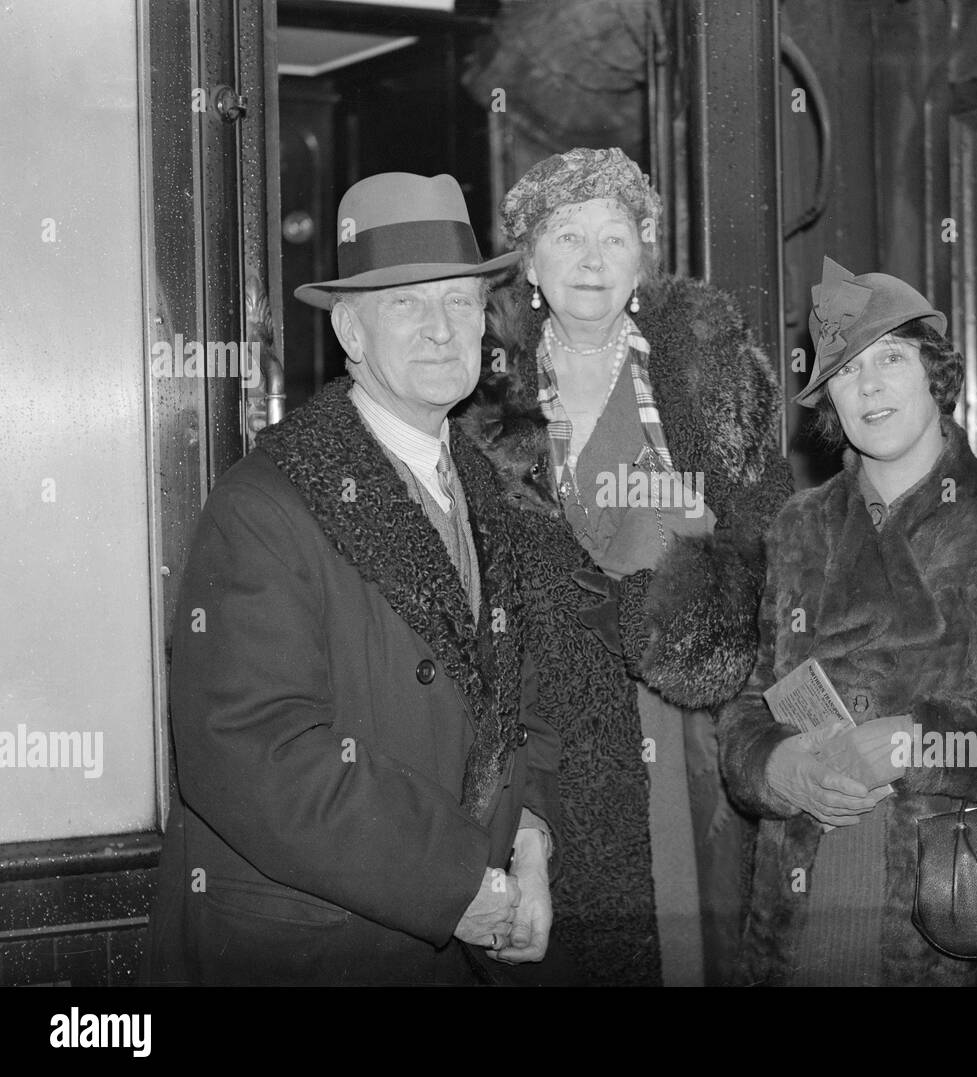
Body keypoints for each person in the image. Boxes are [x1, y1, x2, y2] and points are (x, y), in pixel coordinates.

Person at [143, 173, 563, 985]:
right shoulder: (265, 503)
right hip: (314, 947)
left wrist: (532, 841)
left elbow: (525, 703)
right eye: (406, 303)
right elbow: (252, 751)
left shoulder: (494, 494)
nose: (442, 330)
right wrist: (456, 884)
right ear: (351, 330)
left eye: (459, 301)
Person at [718, 258, 977, 986]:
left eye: (892, 358)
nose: (870, 384)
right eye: (846, 370)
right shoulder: (797, 530)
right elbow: (751, 708)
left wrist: (922, 741)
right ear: (829, 402)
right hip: (810, 920)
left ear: (934, 374)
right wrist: (779, 769)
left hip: (965, 922)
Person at [470, 146, 791, 986]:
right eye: (566, 236)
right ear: (528, 259)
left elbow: (774, 539)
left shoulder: (705, 369)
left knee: (684, 947)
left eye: (615, 236)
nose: (591, 259)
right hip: (543, 729)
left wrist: (686, 623)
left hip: (680, 720)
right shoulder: (474, 391)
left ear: (644, 253)